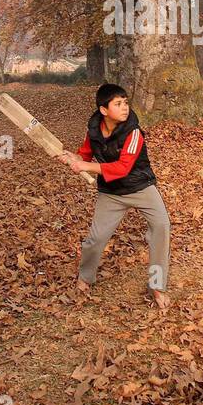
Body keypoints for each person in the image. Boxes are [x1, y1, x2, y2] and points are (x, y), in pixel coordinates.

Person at [58, 83, 171, 309]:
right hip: (111, 193)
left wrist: (85, 166)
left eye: (126, 103)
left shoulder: (134, 132)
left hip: (141, 188)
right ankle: (85, 278)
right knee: (95, 239)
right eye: (118, 104)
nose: (124, 108)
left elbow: (122, 168)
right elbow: (86, 153)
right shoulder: (94, 130)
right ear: (103, 110)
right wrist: (74, 157)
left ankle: (157, 286)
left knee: (161, 228)